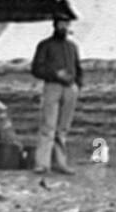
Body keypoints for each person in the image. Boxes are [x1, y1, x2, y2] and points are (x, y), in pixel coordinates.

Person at [30, 14, 82, 175]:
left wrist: (77, 85)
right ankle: (42, 164)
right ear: (55, 25)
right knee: (48, 126)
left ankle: (61, 163)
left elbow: (78, 68)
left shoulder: (72, 47)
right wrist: (55, 74)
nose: (64, 27)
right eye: (61, 24)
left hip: (70, 89)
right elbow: (36, 69)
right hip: (52, 86)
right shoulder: (45, 45)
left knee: (63, 128)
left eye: (66, 24)